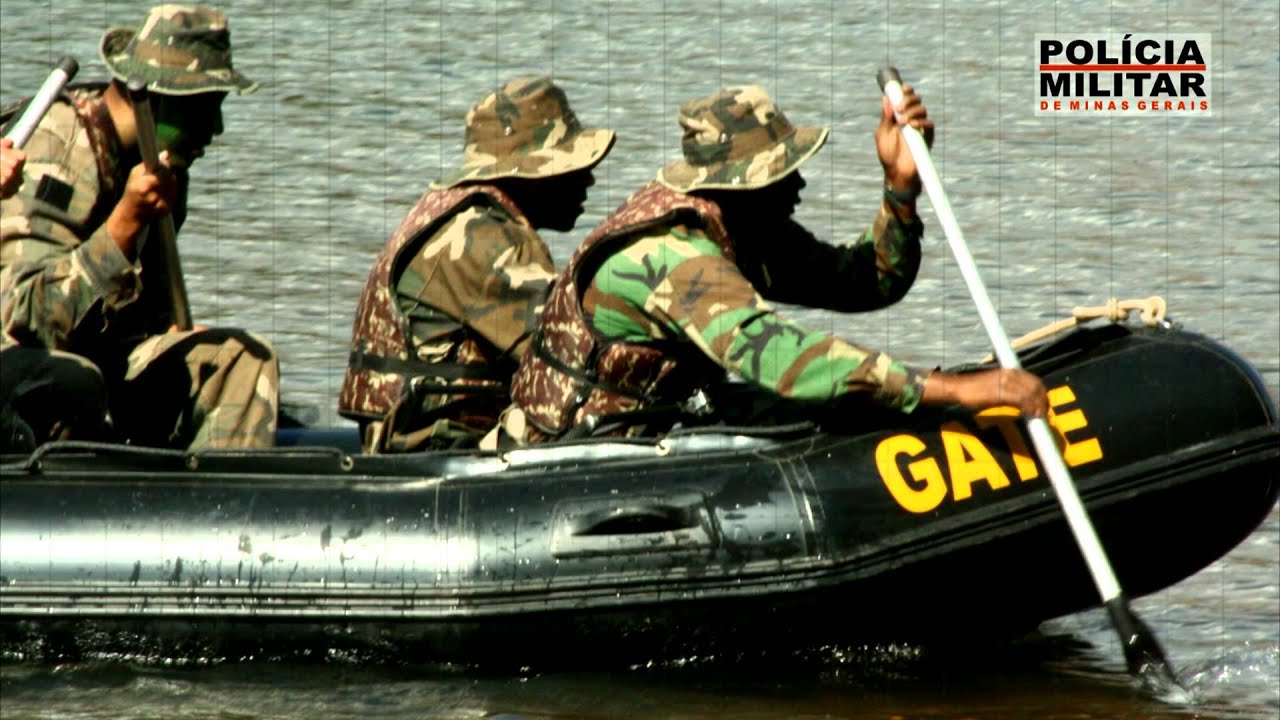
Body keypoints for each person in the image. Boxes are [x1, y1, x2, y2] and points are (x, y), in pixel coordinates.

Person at [501, 83, 1047, 443]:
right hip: (574, 448)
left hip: (654, 423)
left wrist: (899, 192)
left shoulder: (741, 226)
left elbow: (866, 282)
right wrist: (954, 389)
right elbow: (780, 356)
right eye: (783, 173)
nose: (800, 184)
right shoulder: (675, 257)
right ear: (740, 186)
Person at [0, 5, 278, 451]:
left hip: (104, 356)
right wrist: (123, 225)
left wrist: (172, 337)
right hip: (26, 367)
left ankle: (222, 509)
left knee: (238, 358)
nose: (217, 126)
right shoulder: (56, 150)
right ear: (158, 96)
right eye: (206, 105)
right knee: (77, 381)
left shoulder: (163, 164)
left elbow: (148, 311)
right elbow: (28, 320)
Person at [339, 76, 615, 453]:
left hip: (418, 435)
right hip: (432, 448)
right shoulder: (483, 236)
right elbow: (579, 353)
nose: (589, 178)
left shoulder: (460, 213)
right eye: (573, 166)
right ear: (531, 173)